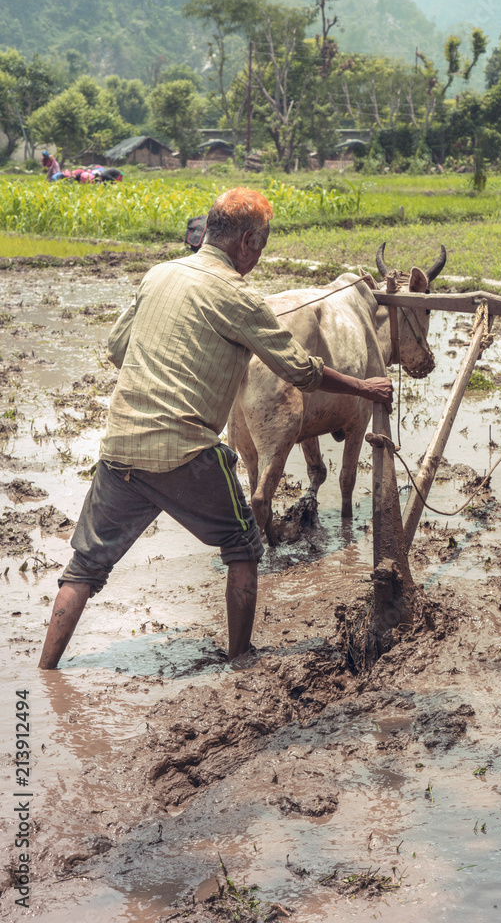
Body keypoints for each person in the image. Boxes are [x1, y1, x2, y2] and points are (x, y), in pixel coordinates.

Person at [38, 188, 392, 669]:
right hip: (186, 453)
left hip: (119, 447)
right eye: (261, 246)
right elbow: (299, 370)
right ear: (246, 241)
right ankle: (241, 658)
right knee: (244, 546)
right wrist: (362, 387)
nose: (259, 257)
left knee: (84, 568)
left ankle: (45, 672)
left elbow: (117, 348)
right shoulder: (238, 296)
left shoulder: (158, 274)